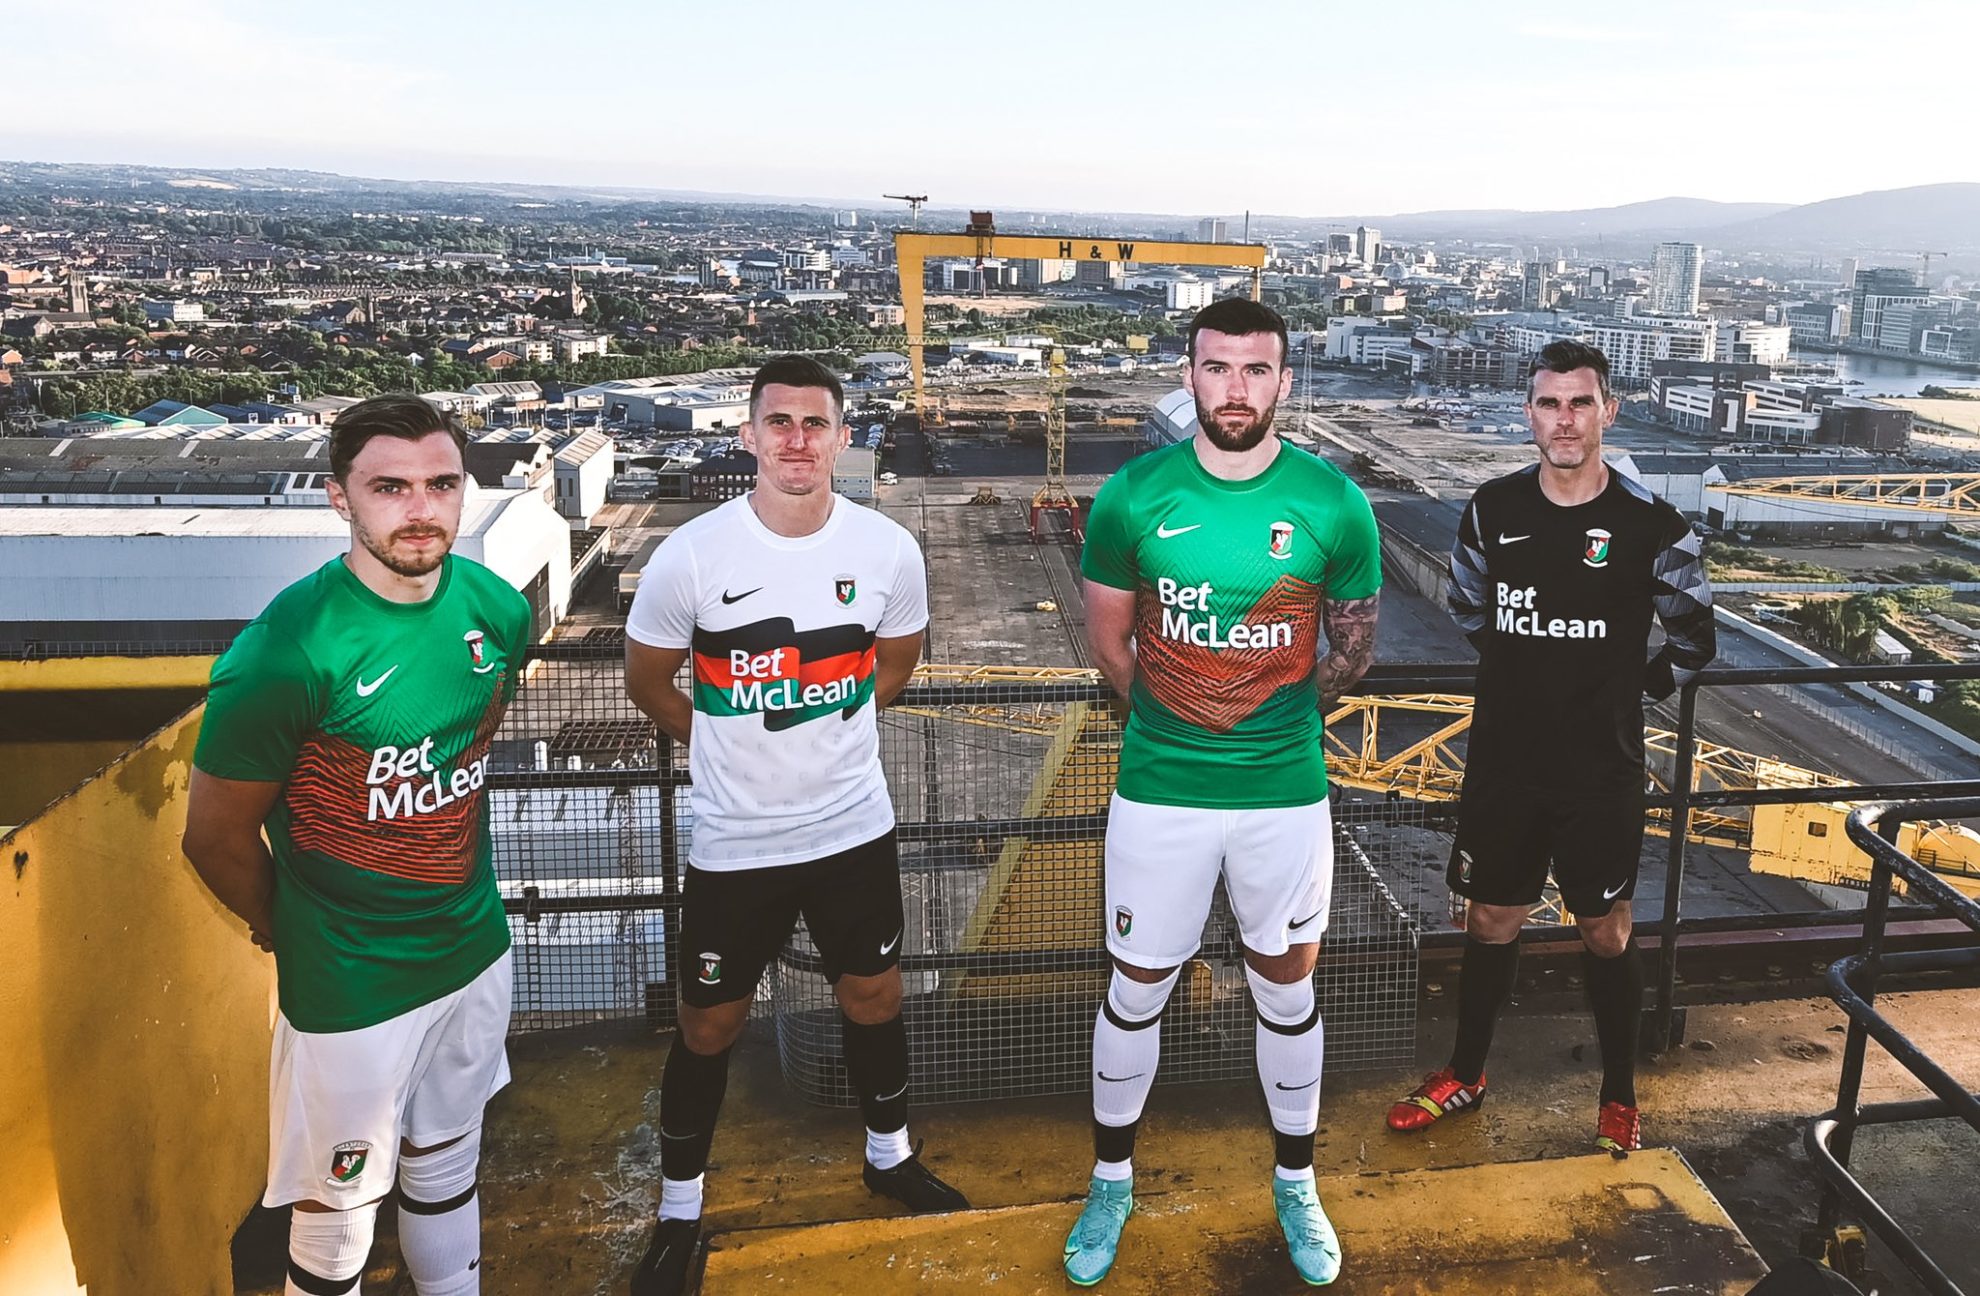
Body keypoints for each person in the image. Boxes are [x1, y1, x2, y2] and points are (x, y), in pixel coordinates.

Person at [623, 354, 967, 1295]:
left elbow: (894, 660)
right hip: (737, 843)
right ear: (749, 436)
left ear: (843, 437)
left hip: (852, 828)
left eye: (816, 424)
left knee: (876, 999)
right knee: (708, 1026)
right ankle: (680, 1211)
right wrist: (722, 735)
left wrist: (832, 717)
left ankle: (888, 1156)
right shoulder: (690, 555)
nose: (798, 441)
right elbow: (648, 682)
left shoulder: (887, 550)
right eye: (779, 423)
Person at [183, 394, 532, 1296]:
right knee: (337, 1216)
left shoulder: (495, 608)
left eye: (441, 484)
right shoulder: (287, 651)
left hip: (473, 948)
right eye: (390, 488)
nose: (421, 510)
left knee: (448, 1165)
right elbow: (214, 837)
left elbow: (464, 763)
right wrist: (287, 927)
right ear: (340, 497)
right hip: (350, 980)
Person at [1065, 298, 1382, 1287]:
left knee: (1286, 989)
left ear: (1285, 382)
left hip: (1284, 796)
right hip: (1161, 792)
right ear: (1189, 375)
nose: (1235, 389)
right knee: (1135, 989)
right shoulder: (1131, 498)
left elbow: (1353, 649)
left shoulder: (1336, 504)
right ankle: (1111, 1180)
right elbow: (1110, 645)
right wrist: (1180, 716)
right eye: (1216, 368)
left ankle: (1297, 1182)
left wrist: (1273, 719)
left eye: (1256, 371)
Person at [1386, 339, 1715, 1156]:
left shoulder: (1654, 524)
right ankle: (1465, 1072)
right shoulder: (1492, 509)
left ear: (1609, 409)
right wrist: (1525, 666)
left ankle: (1619, 1096)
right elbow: (1469, 607)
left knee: (1605, 928)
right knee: (1491, 920)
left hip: (1602, 772)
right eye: (1547, 403)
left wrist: (1624, 690)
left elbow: (1693, 636)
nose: (1563, 419)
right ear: (1527, 413)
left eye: (1579, 402)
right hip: (1504, 765)